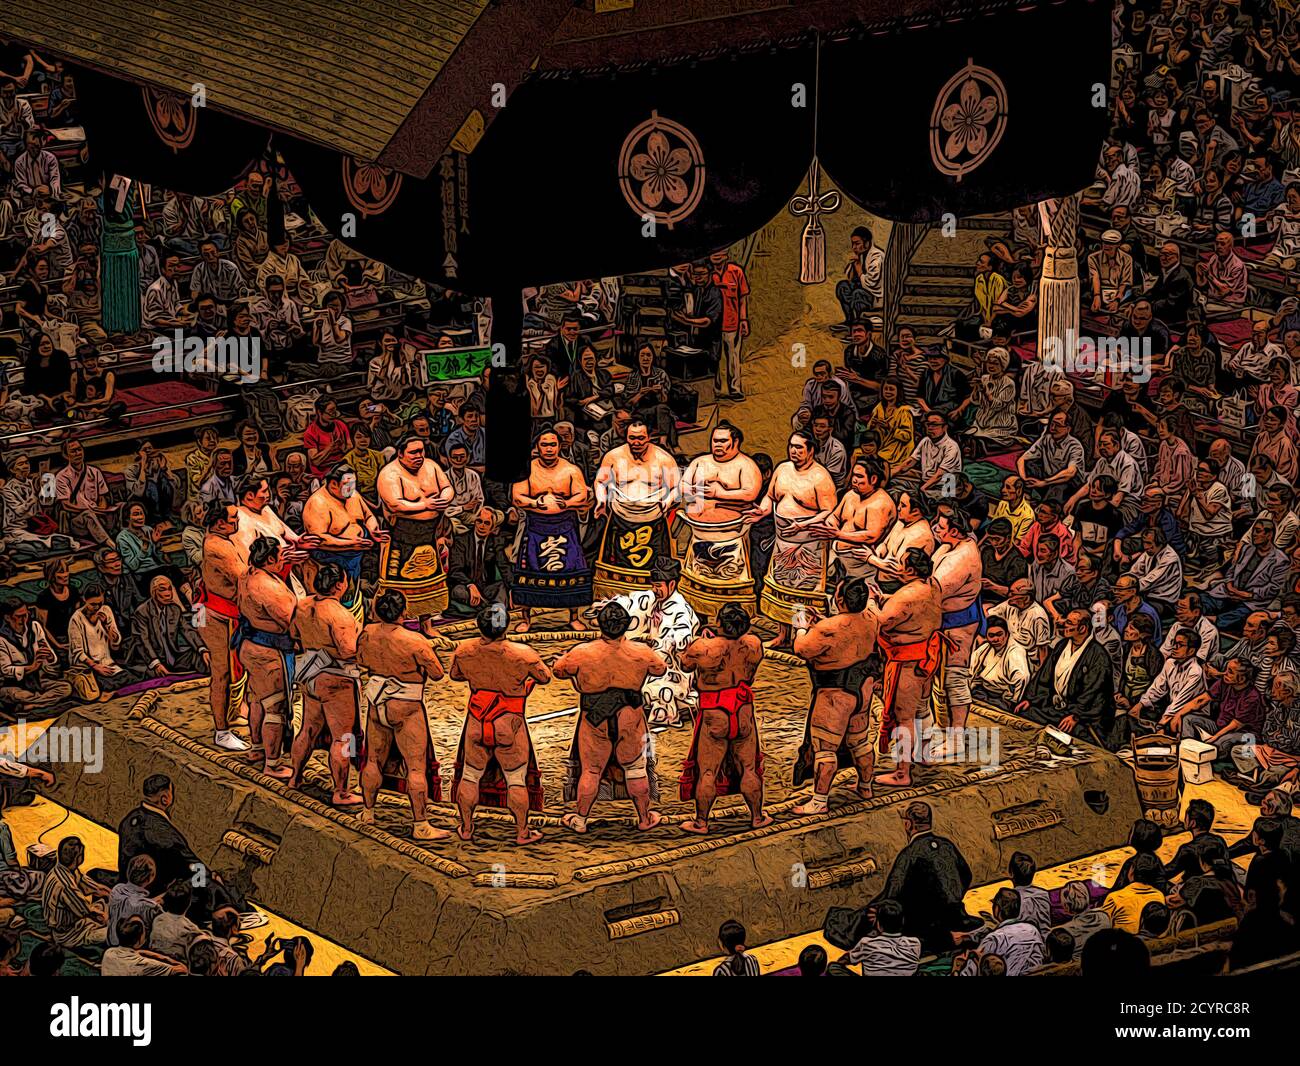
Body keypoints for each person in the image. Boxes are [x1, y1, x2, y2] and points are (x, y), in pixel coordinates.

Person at [552, 601, 667, 834]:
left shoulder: (582, 652)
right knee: (635, 768)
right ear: (627, 626)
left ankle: (581, 819)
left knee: (591, 771)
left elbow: (559, 670)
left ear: (599, 624)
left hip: (596, 719)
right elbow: (660, 668)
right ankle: (644, 818)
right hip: (629, 718)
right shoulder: (641, 652)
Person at [448, 604, 551, 845]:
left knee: (470, 775)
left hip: (477, 721)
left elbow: (455, 675)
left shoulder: (464, 650)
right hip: (508, 724)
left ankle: (465, 827)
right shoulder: (523, 654)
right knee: (516, 778)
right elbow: (545, 677)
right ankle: (522, 832)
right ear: (505, 627)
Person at [354, 590, 447, 840]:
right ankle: (421, 825)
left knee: (373, 760)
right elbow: (438, 673)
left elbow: (361, 660)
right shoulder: (415, 641)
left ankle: (368, 811)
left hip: (376, 703)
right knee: (415, 768)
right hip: (406, 706)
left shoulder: (366, 634)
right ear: (404, 612)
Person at [790, 579, 880, 812]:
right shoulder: (872, 617)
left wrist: (801, 625)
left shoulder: (828, 629)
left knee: (825, 748)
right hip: (863, 688)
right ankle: (865, 787)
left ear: (839, 599)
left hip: (835, 692)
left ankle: (819, 802)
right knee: (860, 741)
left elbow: (801, 649)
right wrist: (820, 623)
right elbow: (846, 632)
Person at [678, 603, 768, 834]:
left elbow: (684, 664)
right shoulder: (755, 644)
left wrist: (701, 640)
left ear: (720, 623)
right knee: (749, 768)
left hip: (716, 712)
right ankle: (757, 817)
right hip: (743, 709)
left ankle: (701, 822)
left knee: (708, 771)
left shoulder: (705, 648)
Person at [744, 431, 837, 649]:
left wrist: (804, 524)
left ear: (811, 450)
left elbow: (829, 511)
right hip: (783, 540)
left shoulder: (820, 477)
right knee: (781, 588)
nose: (794, 451)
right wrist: (763, 511)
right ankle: (782, 633)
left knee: (802, 592)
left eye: (799, 448)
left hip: (808, 544)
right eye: (791, 446)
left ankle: (799, 634)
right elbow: (771, 496)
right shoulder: (782, 469)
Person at [287, 563, 363, 807]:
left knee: (308, 729)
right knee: (343, 738)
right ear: (339, 585)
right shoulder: (340, 615)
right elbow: (348, 651)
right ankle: (341, 792)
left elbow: (293, 634)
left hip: (309, 673)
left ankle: (295, 778)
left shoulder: (302, 605)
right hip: (334, 678)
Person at [866, 801, 977, 954]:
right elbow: (966, 875)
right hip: (955, 916)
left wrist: (876, 908)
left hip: (923, 924)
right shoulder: (947, 845)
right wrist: (952, 896)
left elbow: (893, 892)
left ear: (908, 824)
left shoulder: (909, 853)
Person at [510, 429, 592, 632]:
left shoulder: (571, 470)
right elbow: (517, 497)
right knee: (529, 570)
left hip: (565, 527)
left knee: (572, 569)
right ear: (537, 447)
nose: (549, 449)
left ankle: (574, 616)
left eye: (553, 444)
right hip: (536, 528)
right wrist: (536, 502)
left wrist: (567, 503)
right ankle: (525, 618)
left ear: (560, 446)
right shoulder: (526, 469)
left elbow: (582, 496)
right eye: (544, 444)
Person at [678, 422, 762, 615]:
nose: (717, 445)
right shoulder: (700, 461)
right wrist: (697, 490)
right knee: (697, 584)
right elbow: (682, 485)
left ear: (736, 442)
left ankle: (733, 622)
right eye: (715, 440)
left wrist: (719, 493)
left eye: (723, 441)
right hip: (699, 533)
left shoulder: (746, 465)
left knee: (731, 585)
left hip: (731, 534)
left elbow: (750, 494)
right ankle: (698, 619)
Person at [592, 419, 680, 601]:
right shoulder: (613, 456)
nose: (636, 442)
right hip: (620, 519)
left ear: (649, 437)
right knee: (614, 568)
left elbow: (676, 488)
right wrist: (601, 500)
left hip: (653, 519)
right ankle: (613, 605)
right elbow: (600, 481)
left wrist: (668, 501)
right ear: (626, 436)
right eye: (632, 438)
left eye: (641, 438)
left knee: (654, 569)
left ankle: (655, 605)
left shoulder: (664, 459)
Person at [234, 537, 298, 779]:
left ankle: (257, 749)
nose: (284, 559)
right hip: (269, 652)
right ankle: (272, 764)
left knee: (258, 700)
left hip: (250, 645)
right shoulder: (268, 587)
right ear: (270, 559)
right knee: (275, 707)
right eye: (280, 556)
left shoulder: (246, 575)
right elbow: (289, 623)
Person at [375, 436, 453, 634]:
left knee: (429, 584)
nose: (419, 456)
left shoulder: (432, 466)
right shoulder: (390, 474)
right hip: (401, 537)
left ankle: (426, 625)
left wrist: (444, 499)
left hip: (429, 536)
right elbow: (395, 504)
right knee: (394, 586)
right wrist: (425, 505)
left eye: (421, 451)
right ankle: (390, 626)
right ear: (400, 453)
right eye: (413, 452)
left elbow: (447, 488)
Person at [1013, 609, 1117, 748]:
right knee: (1027, 714)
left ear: (1082, 628)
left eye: (1069, 623)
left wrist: (1075, 716)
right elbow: (1044, 676)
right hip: (1057, 708)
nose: (1064, 625)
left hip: (1084, 715)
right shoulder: (1061, 645)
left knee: (1075, 734)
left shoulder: (1098, 656)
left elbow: (1093, 693)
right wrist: (1031, 699)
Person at [302, 462, 388, 626]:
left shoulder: (352, 495)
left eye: (353, 483)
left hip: (358, 553)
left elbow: (368, 516)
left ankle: (363, 622)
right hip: (332, 560)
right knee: (343, 598)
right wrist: (349, 544)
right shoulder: (317, 504)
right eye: (347, 484)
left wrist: (374, 530)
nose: (352, 488)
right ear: (333, 484)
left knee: (361, 591)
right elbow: (319, 538)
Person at [196, 500, 250, 751]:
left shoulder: (228, 539)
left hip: (232, 611)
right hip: (214, 614)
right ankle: (221, 732)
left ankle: (240, 708)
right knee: (221, 673)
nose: (237, 522)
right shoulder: (216, 546)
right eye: (232, 519)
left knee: (244, 664)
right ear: (219, 523)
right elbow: (245, 577)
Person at [931, 507, 984, 735]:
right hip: (944, 618)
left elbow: (932, 592)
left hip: (960, 622)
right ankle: (942, 725)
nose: (935, 529)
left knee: (954, 678)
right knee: (937, 677)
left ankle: (957, 735)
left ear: (954, 531)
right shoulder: (952, 545)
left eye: (941, 527)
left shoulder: (962, 558)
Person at [954, 888, 1044, 976]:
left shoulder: (994, 939)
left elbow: (969, 972)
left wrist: (956, 970)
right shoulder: (1033, 930)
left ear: (996, 909)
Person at [39, 836, 108, 947]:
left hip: (77, 922)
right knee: (113, 933)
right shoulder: (65, 885)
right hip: (68, 934)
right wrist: (109, 920)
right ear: (78, 858)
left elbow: (94, 888)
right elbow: (88, 912)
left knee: (104, 906)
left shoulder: (65, 869)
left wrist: (115, 894)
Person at [845, 898, 921, 976]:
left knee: (834, 967)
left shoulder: (867, 943)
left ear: (878, 925)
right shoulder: (915, 943)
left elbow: (844, 960)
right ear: (902, 921)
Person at [969, 617, 1030, 709]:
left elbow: (1022, 677)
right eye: (991, 635)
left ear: (1006, 634)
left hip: (1002, 697)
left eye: (999, 634)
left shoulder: (1015, 651)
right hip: (982, 691)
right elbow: (971, 670)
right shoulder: (984, 649)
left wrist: (1013, 701)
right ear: (986, 636)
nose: (996, 639)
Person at [102, 915, 186, 976]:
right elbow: (182, 969)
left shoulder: (109, 953)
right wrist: (169, 960)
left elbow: (138, 952)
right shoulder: (146, 964)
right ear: (138, 941)